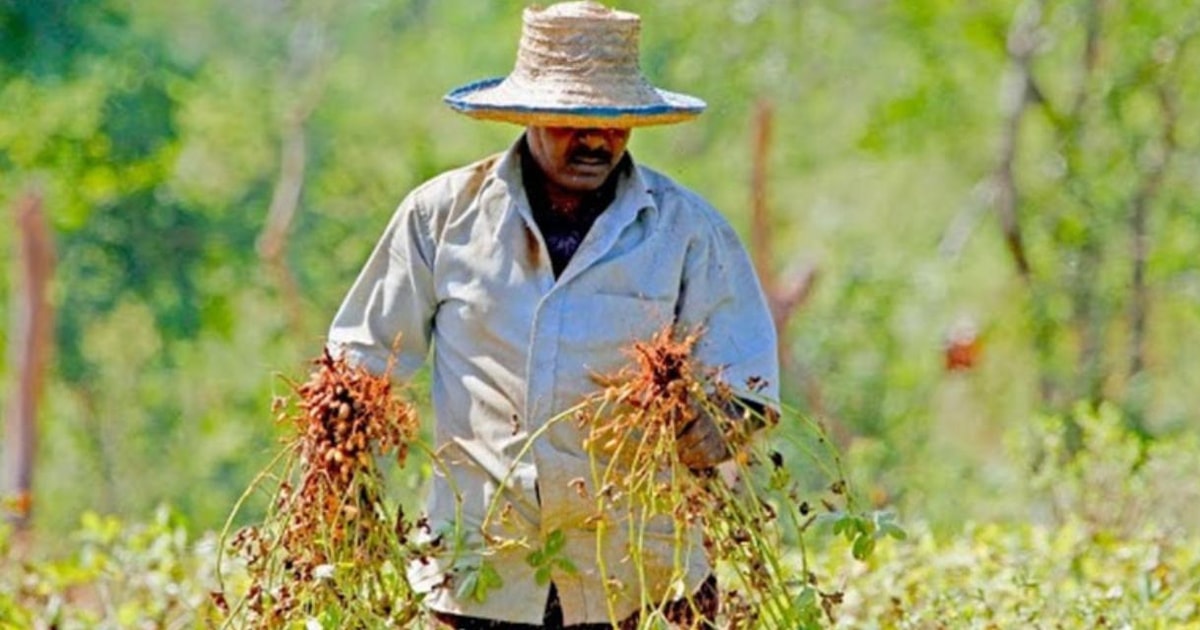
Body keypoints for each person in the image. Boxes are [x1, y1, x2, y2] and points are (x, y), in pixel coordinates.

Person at [326, 2, 778, 627]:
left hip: (641, 577)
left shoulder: (686, 230)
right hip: (483, 574)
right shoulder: (441, 218)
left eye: (614, 121)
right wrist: (341, 466)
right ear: (531, 115)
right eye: (573, 121)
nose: (596, 139)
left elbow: (747, 381)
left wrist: (715, 423)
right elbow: (362, 358)